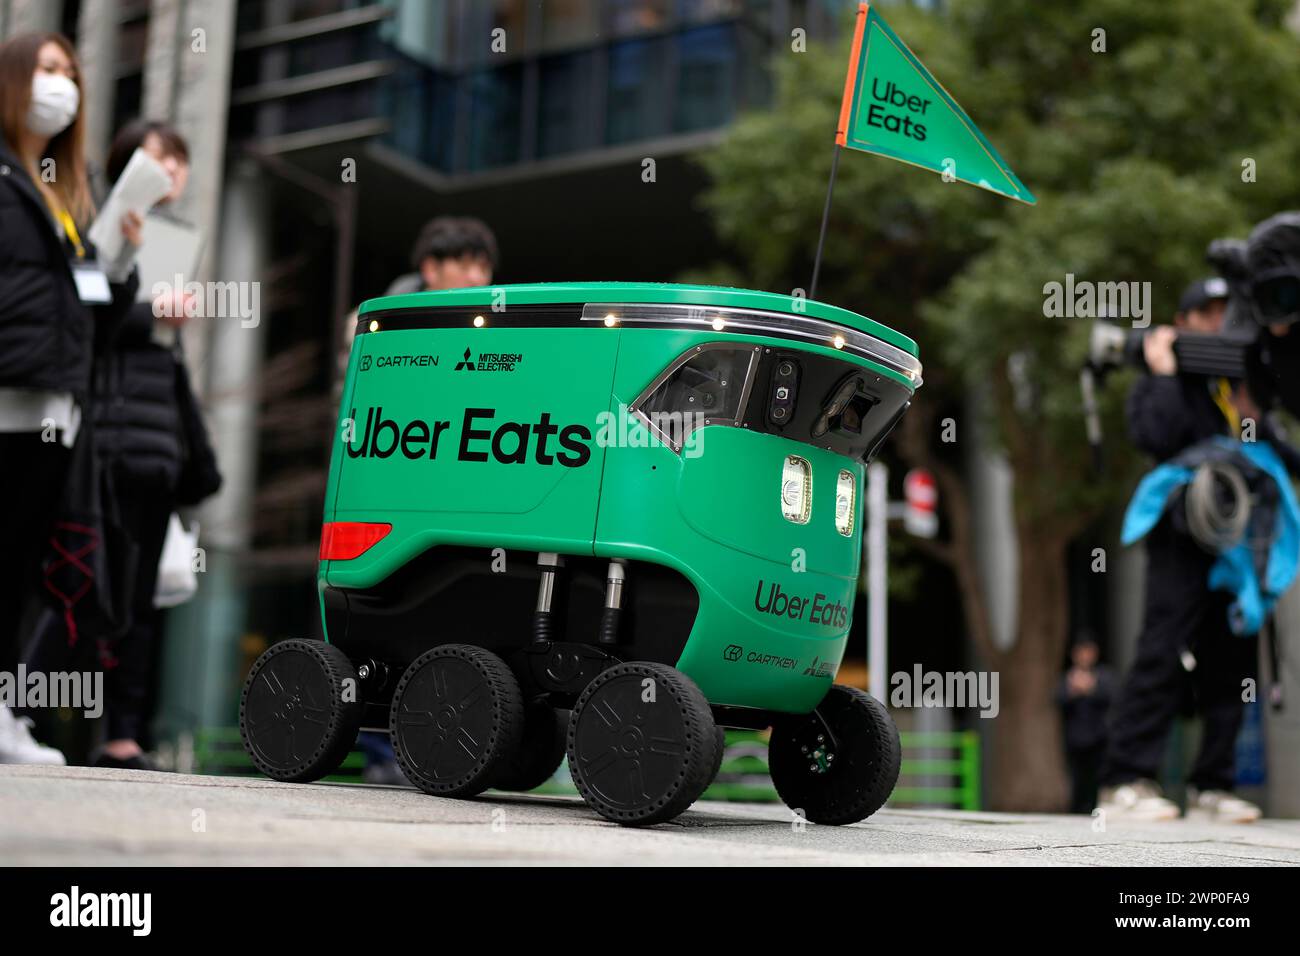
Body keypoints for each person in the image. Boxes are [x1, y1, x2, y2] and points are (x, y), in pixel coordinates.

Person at [0, 33, 140, 764]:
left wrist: (119, 263)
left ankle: (2, 715)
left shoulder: (62, 189)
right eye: (49, 70)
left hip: (55, 407)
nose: (62, 86)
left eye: (71, 74)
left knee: (22, 565)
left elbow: (95, 322)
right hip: (8, 393)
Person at [1097, 278, 1264, 823]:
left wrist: (1252, 413)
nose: (1217, 322)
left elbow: (1272, 456)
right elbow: (1155, 434)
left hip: (1233, 543)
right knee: (1161, 648)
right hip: (1178, 535)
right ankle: (1125, 780)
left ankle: (1212, 785)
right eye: (1206, 313)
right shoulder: (1160, 382)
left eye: (1225, 313)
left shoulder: (1238, 384)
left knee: (1235, 658)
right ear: (1183, 319)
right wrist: (1164, 371)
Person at [348, 215, 498, 785]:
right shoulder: (380, 326)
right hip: (390, 489)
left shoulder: (492, 329)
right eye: (462, 263)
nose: (474, 275)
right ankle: (382, 753)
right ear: (431, 269)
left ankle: (429, 751)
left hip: (456, 494)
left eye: (482, 265)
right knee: (384, 613)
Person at [85, 120, 204, 769]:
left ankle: (122, 731)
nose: (172, 172)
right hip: (101, 434)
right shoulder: (92, 223)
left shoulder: (174, 243)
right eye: (160, 158)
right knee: (82, 582)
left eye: (179, 162)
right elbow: (84, 313)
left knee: (140, 600)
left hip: (156, 443)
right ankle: (25, 711)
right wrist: (150, 311)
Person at [1057, 638, 1114, 814]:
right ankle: (1076, 810)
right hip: (1074, 737)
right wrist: (1074, 690)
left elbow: (1111, 697)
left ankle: (1096, 808)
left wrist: (1090, 689)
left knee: (1097, 776)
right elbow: (1058, 700)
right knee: (1076, 777)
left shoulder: (1103, 675)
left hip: (1098, 736)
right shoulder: (1067, 676)